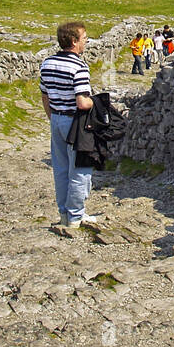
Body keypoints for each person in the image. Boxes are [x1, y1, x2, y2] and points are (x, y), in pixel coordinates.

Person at [39, 21, 97, 227]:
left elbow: (45, 95)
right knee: (80, 168)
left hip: (56, 118)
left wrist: (52, 116)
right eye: (84, 38)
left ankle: (64, 212)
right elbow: (82, 102)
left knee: (61, 168)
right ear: (74, 41)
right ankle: (75, 215)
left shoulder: (47, 63)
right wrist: (95, 101)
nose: (86, 42)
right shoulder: (79, 66)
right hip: (76, 122)